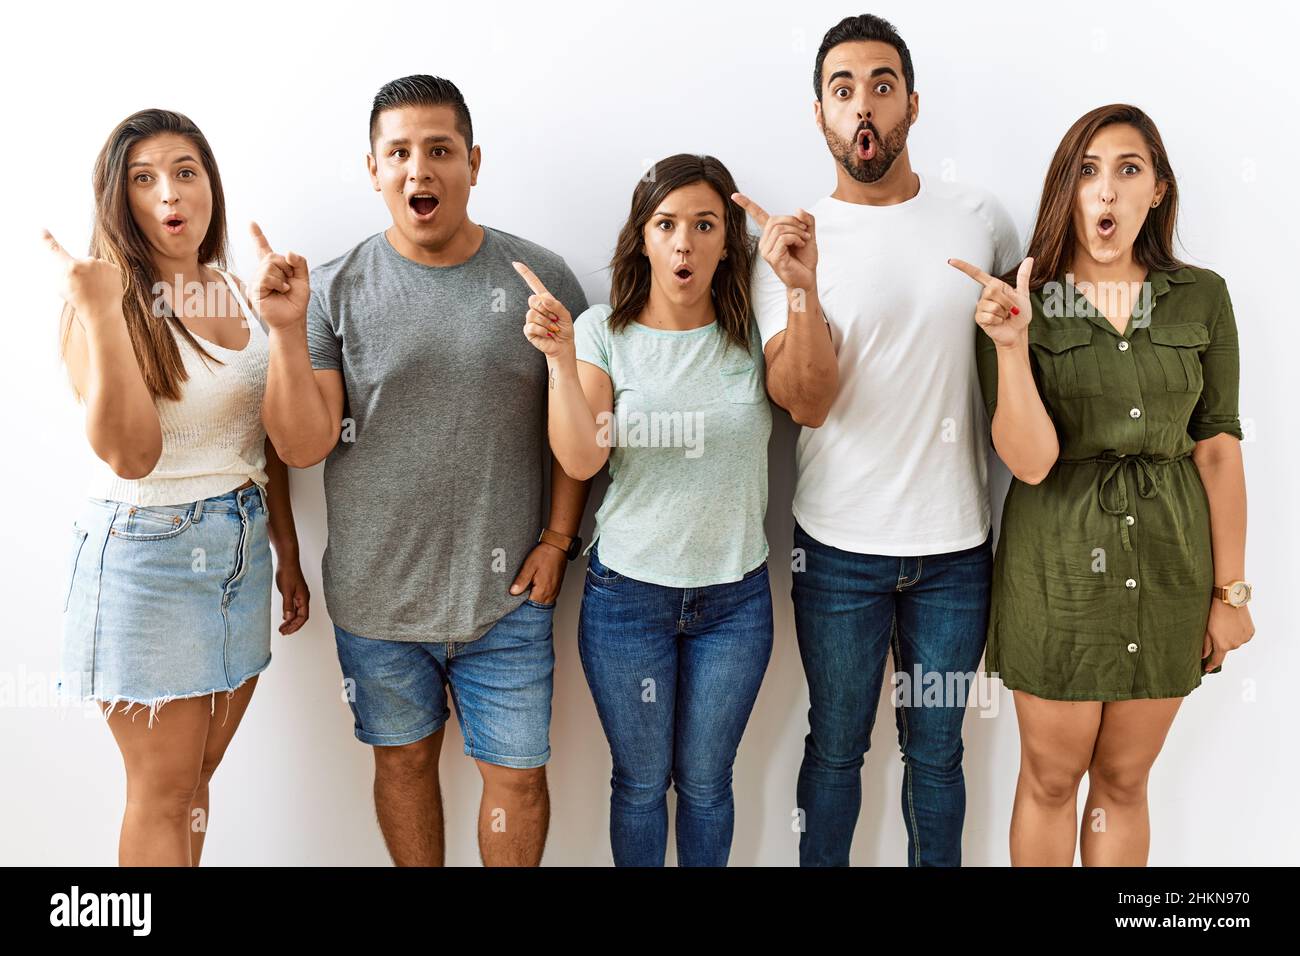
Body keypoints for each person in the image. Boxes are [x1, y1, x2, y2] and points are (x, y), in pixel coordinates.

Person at [256, 75, 591, 867]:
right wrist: (279, 331)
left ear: (473, 162)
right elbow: (302, 446)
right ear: (372, 168)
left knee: (519, 781)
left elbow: (575, 423)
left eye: (439, 150)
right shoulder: (332, 290)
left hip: (505, 597)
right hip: (377, 598)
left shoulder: (538, 278)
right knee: (403, 764)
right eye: (399, 152)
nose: (419, 171)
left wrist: (557, 537)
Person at [736, 13, 1022, 866]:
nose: (864, 104)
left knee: (937, 756)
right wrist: (803, 287)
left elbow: (1015, 340)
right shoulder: (785, 247)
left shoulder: (980, 220)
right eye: (844, 87)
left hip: (957, 548)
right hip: (838, 552)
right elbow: (805, 403)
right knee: (835, 747)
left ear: (912, 105)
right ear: (819, 113)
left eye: (882, 86)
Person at [952, 103, 1254, 866]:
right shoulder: (1020, 301)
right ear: (1067, 189)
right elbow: (1028, 461)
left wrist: (1231, 594)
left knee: (1124, 778)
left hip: (1168, 571)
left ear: (1157, 189)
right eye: (1087, 172)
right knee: (1052, 780)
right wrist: (1012, 347)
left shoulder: (1202, 297)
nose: (1106, 192)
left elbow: (1217, 448)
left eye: (1128, 170)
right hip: (1055, 573)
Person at [50, 108, 310, 866]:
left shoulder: (240, 290)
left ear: (210, 185)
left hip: (240, 551)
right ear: (120, 199)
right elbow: (129, 455)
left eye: (186, 171)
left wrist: (286, 553)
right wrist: (101, 313)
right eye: (145, 178)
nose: (171, 192)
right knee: (161, 794)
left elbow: (265, 445)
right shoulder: (101, 304)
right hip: (148, 557)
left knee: (197, 777)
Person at [515, 153, 772, 866]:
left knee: (706, 784)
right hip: (628, 599)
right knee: (638, 784)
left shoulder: (754, 331)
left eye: (704, 225)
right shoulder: (601, 331)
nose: (684, 242)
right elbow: (581, 459)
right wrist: (562, 362)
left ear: (727, 243)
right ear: (644, 238)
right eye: (667, 224)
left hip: (735, 603)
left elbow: (817, 390)